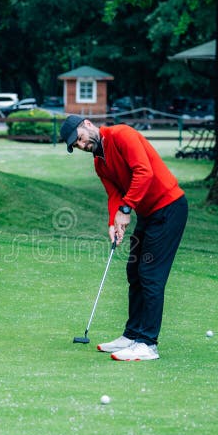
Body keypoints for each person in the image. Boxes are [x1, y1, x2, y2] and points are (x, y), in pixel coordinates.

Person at [60, 115, 188, 361]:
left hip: (169, 208)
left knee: (150, 274)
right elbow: (114, 195)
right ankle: (132, 335)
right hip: (148, 213)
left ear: (87, 124)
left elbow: (144, 172)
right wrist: (113, 222)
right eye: (76, 145)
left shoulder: (121, 135)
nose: (82, 145)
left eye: (80, 139)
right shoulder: (99, 163)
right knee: (134, 271)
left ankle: (147, 343)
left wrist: (127, 209)